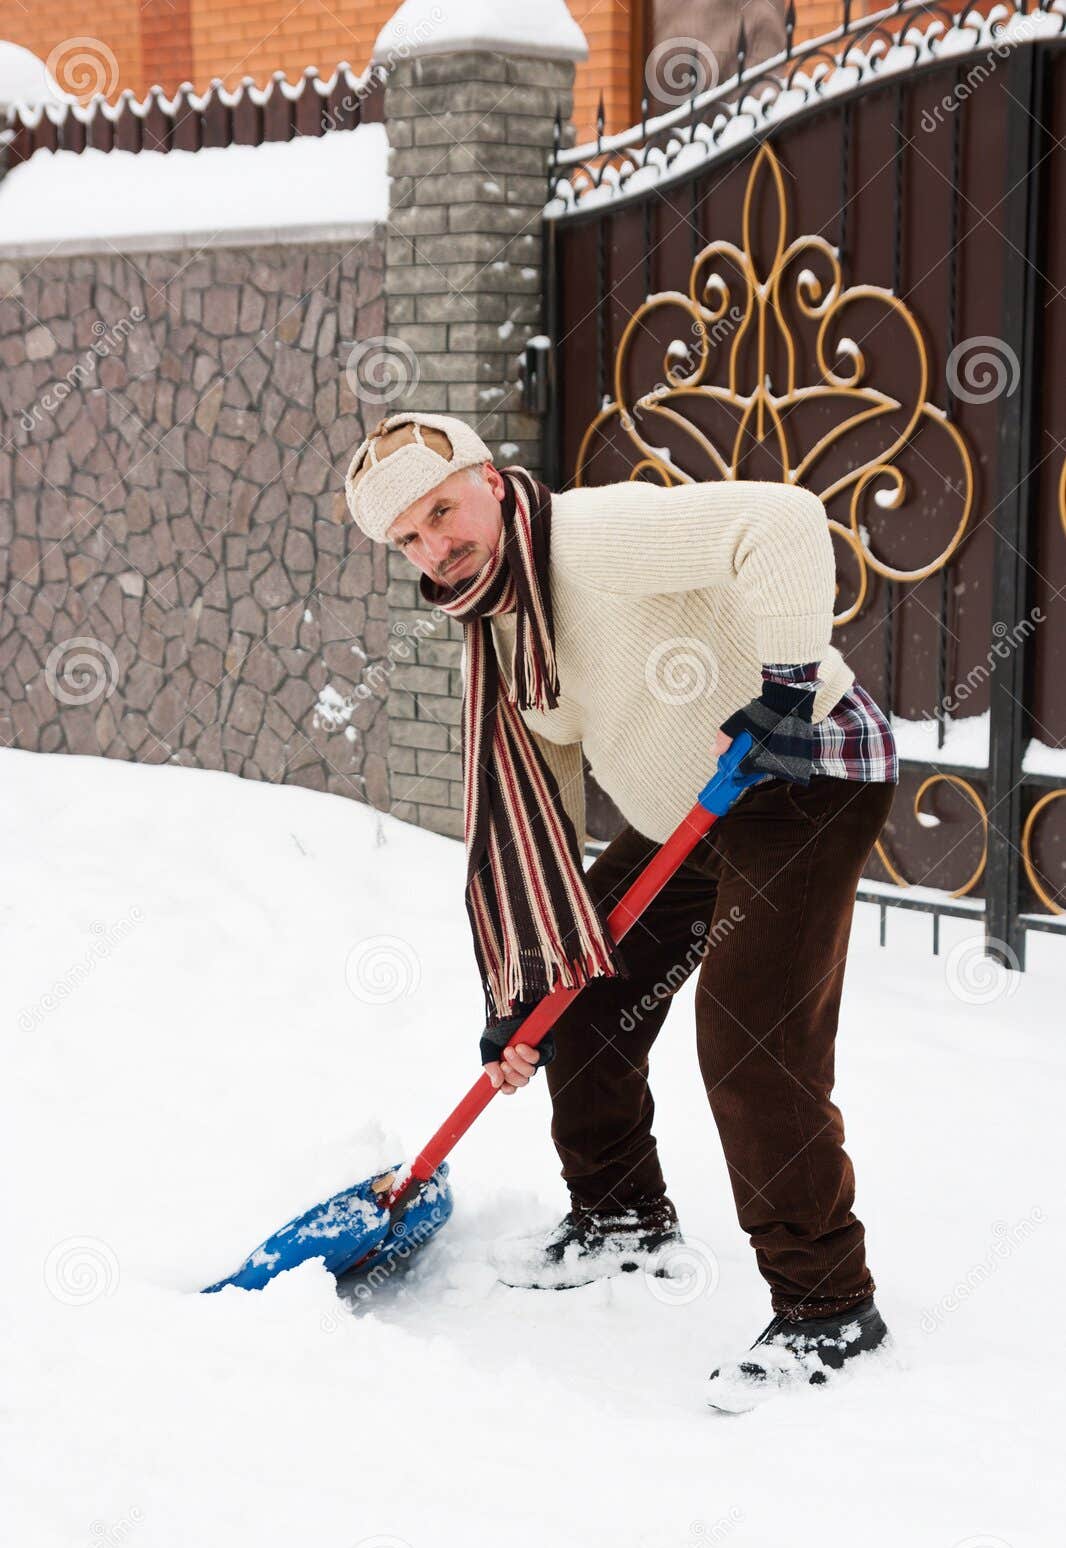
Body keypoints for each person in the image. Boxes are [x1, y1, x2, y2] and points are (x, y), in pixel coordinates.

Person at [345, 412, 898, 1412]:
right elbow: (539, 815)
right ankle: (621, 1218)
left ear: (485, 478)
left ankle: (828, 1306)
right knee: (586, 988)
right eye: (408, 539)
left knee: (750, 1042)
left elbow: (780, 519)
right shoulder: (504, 623)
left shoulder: (594, 538)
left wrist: (782, 681)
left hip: (799, 769)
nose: (435, 544)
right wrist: (525, 986)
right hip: (692, 801)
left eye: (441, 509)